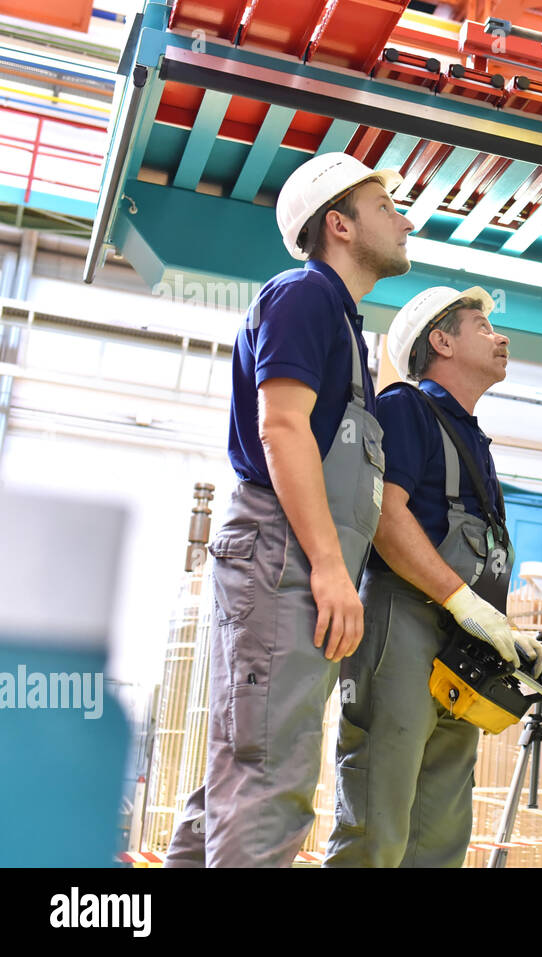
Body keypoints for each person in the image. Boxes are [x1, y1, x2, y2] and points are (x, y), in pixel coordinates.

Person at [164, 153, 414, 867]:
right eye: (385, 207)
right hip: (285, 553)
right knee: (270, 776)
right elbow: (282, 428)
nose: (404, 220)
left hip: (291, 557)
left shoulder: (340, 321)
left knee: (238, 775)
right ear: (339, 224)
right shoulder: (303, 297)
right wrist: (330, 567)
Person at [325, 285, 542, 868]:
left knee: (441, 835)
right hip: (403, 627)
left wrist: (506, 636)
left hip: (462, 644)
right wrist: (460, 599)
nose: (500, 336)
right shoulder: (407, 409)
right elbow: (385, 516)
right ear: (441, 340)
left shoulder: (473, 437)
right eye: (482, 326)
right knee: (378, 823)